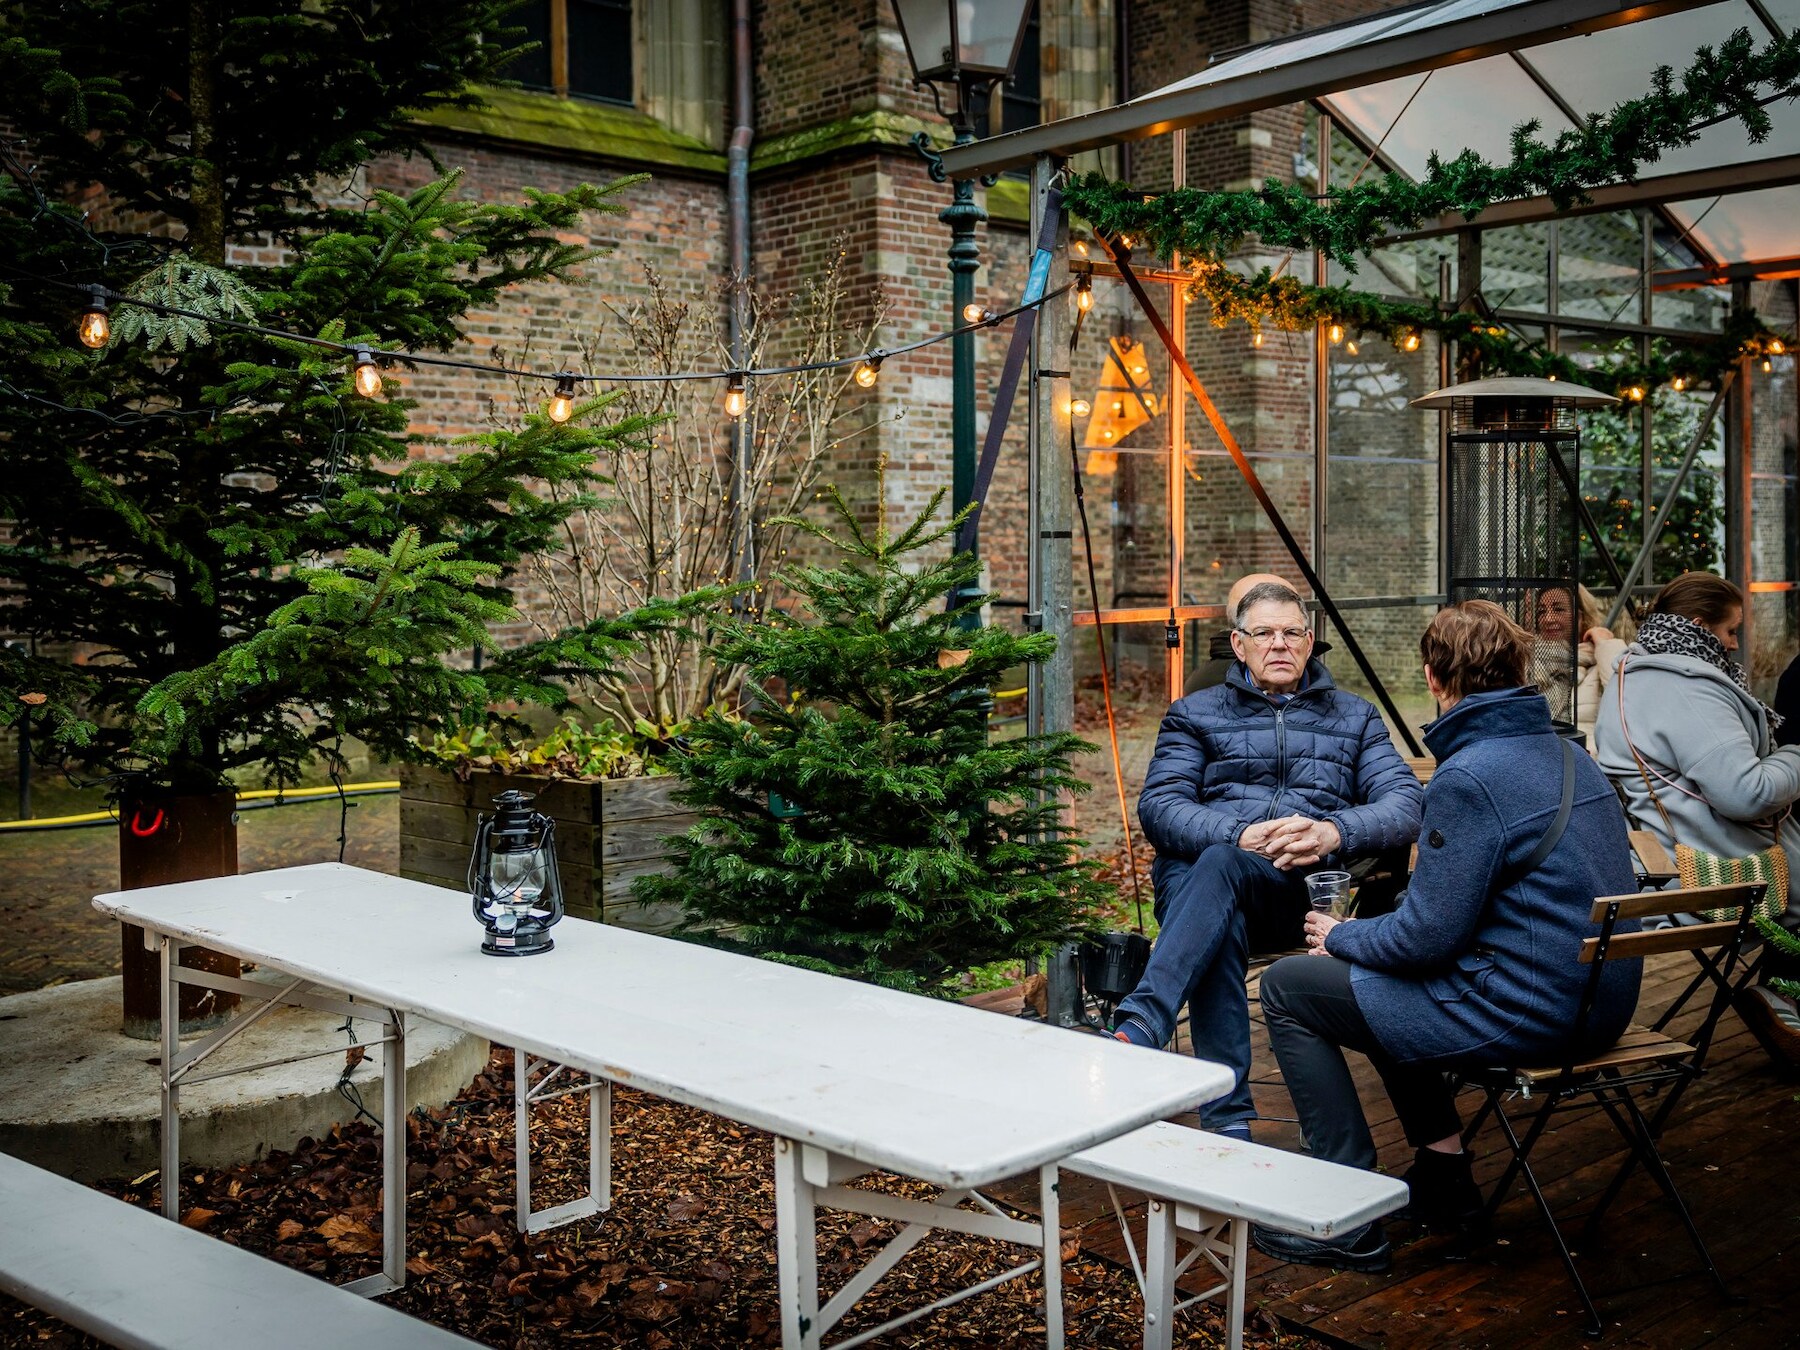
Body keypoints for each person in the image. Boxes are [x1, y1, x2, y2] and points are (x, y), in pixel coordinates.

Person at [1253, 601, 1641, 1272]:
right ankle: (1444, 1181)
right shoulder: (1570, 756)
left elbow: (1427, 939)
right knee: (1376, 988)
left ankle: (1344, 1217)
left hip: (1533, 1009)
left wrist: (1342, 936)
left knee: (1291, 985)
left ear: (1433, 678)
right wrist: (1368, 943)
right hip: (1600, 1003)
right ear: (1521, 668)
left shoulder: (1469, 776)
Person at [1110, 579, 1424, 1142]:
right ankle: (1226, 1121)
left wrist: (1332, 831)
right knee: (1219, 880)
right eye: (1263, 634)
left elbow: (1406, 804)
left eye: (1291, 633)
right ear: (1239, 644)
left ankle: (1150, 1026)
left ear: (1309, 642)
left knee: (1216, 880)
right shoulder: (1194, 714)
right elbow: (1160, 807)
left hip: (1294, 894)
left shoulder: (1355, 718)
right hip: (1208, 888)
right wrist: (1240, 833)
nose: (1278, 644)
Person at [1593, 571, 1800, 1069]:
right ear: (1698, 625)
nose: (1733, 646)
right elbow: (1748, 793)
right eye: (1730, 632)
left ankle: (1784, 1000)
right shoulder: (1685, 690)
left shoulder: (1634, 675)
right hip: (1726, 871)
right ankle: (1783, 1001)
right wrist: (1796, 754)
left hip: (1672, 860)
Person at [1535, 585, 1629, 746]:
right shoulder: (1529, 659)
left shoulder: (1601, 658)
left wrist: (1606, 644)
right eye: (1541, 611)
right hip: (1543, 756)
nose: (1548, 618)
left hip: (1590, 758)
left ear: (1581, 616)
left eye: (1558, 609)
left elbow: (1628, 698)